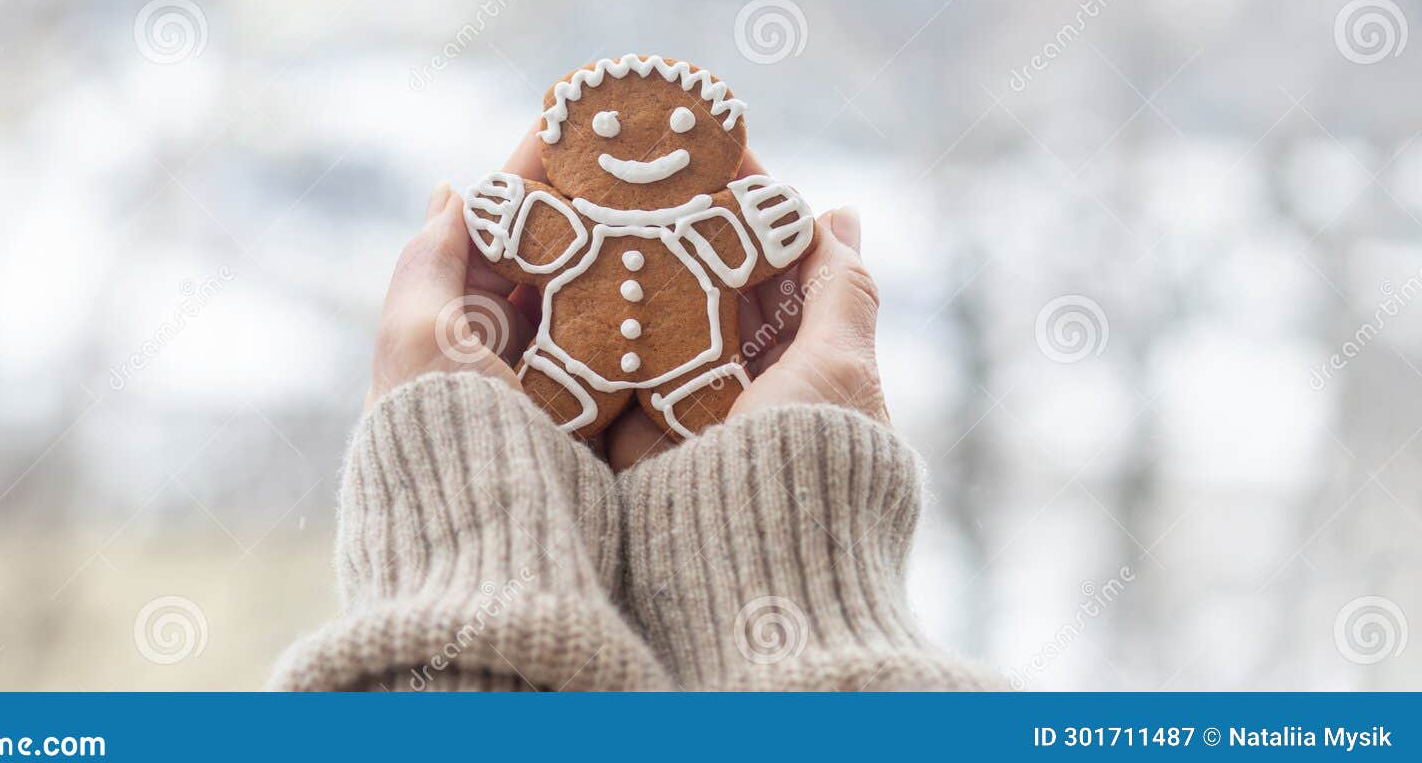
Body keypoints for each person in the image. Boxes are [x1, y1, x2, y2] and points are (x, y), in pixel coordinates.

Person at [270, 131, 997, 691]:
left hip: (692, 372)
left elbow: (739, 241)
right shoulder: (573, 234)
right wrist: (789, 577)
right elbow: (534, 234)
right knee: (564, 384)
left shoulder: (705, 237)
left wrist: (456, 532)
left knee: (681, 385)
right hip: (569, 368)